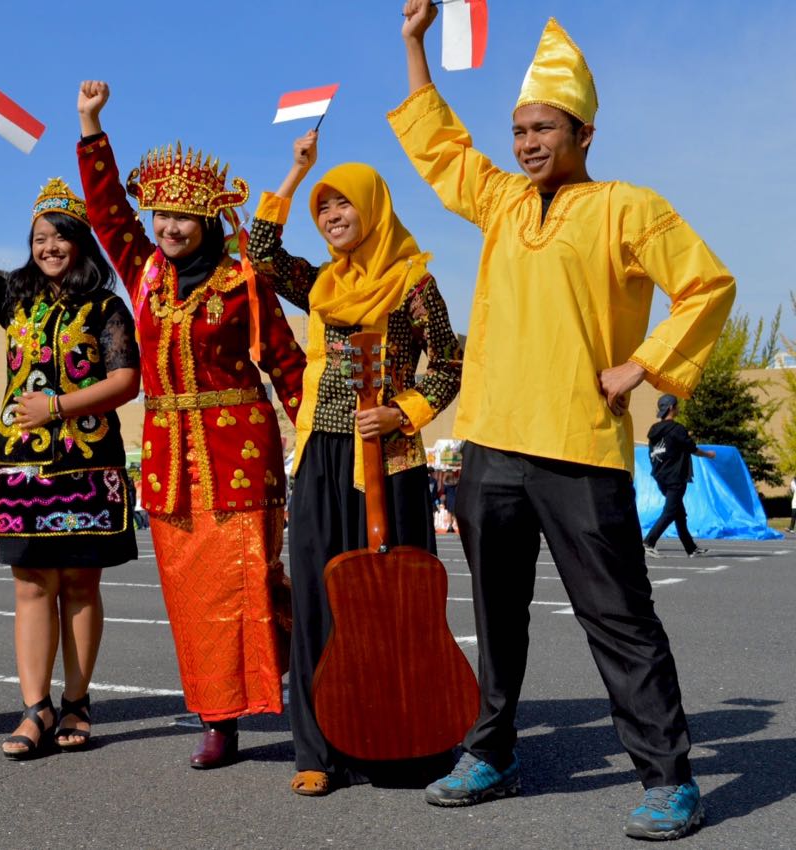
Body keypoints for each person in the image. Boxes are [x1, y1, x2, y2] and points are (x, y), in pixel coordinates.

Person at [392, 4, 736, 840]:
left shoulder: (627, 207)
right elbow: (441, 149)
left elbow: (708, 284)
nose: (526, 143)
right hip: (494, 442)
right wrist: (414, 47)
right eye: (517, 130)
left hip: (580, 446)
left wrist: (644, 365)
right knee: (497, 612)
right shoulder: (504, 202)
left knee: (617, 617)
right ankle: (494, 751)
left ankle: (669, 778)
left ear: (582, 129)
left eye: (542, 127)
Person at [76, 81, 306, 769]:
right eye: (164, 215)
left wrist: (322, 443)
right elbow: (108, 214)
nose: (171, 227)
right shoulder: (143, 273)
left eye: (185, 217)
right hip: (170, 462)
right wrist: (92, 126)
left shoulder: (243, 283)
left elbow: (288, 367)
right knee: (193, 598)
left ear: (208, 221)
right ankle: (219, 718)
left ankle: (292, 679)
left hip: (240, 453)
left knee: (250, 585)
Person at [248, 130, 463, 795]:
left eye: (343, 207)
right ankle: (316, 749)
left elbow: (450, 365)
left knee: (394, 603)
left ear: (373, 208)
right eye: (324, 210)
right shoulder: (320, 285)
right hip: (320, 455)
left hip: (390, 462)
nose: (334, 219)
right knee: (316, 599)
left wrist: (403, 412)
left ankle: (400, 737)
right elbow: (257, 251)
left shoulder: (414, 283)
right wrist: (294, 174)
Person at [0, 141, 141, 758]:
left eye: (59, 237)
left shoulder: (106, 306)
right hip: (25, 468)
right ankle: (36, 710)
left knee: (80, 584)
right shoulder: (13, 299)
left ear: (80, 240)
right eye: (37, 239)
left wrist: (56, 406)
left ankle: (78, 704)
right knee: (31, 586)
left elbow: (127, 380)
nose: (48, 248)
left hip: (89, 463)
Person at [643, 395, 716, 557]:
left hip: (660, 476)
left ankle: (691, 548)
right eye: (677, 406)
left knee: (679, 513)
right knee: (670, 512)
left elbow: (652, 454)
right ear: (671, 408)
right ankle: (649, 542)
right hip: (675, 476)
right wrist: (708, 455)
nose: (678, 408)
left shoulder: (654, 431)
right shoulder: (677, 429)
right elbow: (692, 448)